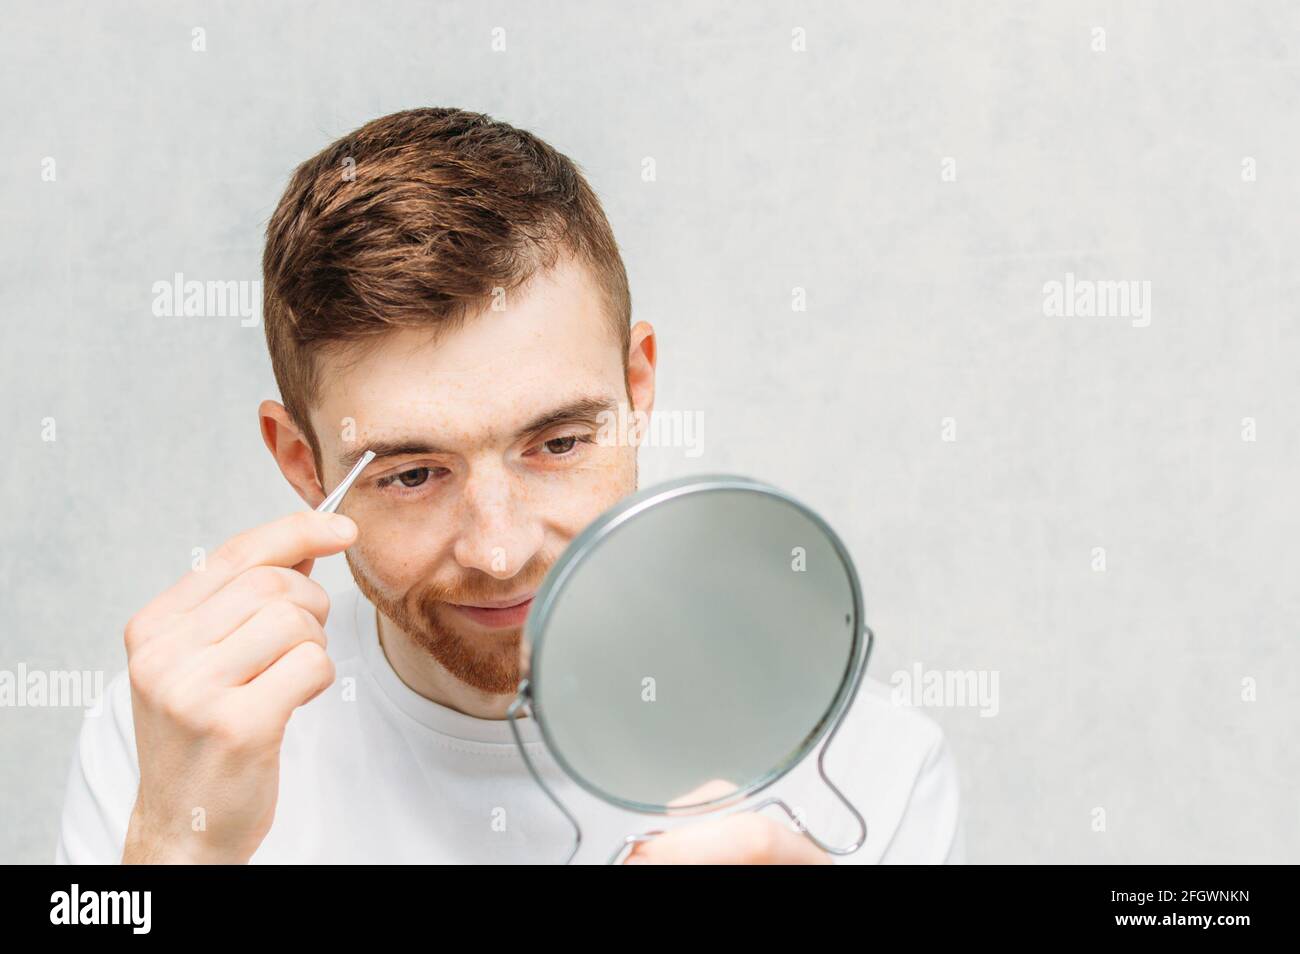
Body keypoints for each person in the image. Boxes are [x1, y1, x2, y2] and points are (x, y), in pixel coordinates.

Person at [55, 107, 964, 864]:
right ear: (302, 464)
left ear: (637, 391)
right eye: (413, 473)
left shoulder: (870, 764)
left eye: (558, 443)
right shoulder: (178, 742)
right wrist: (174, 846)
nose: (499, 550)